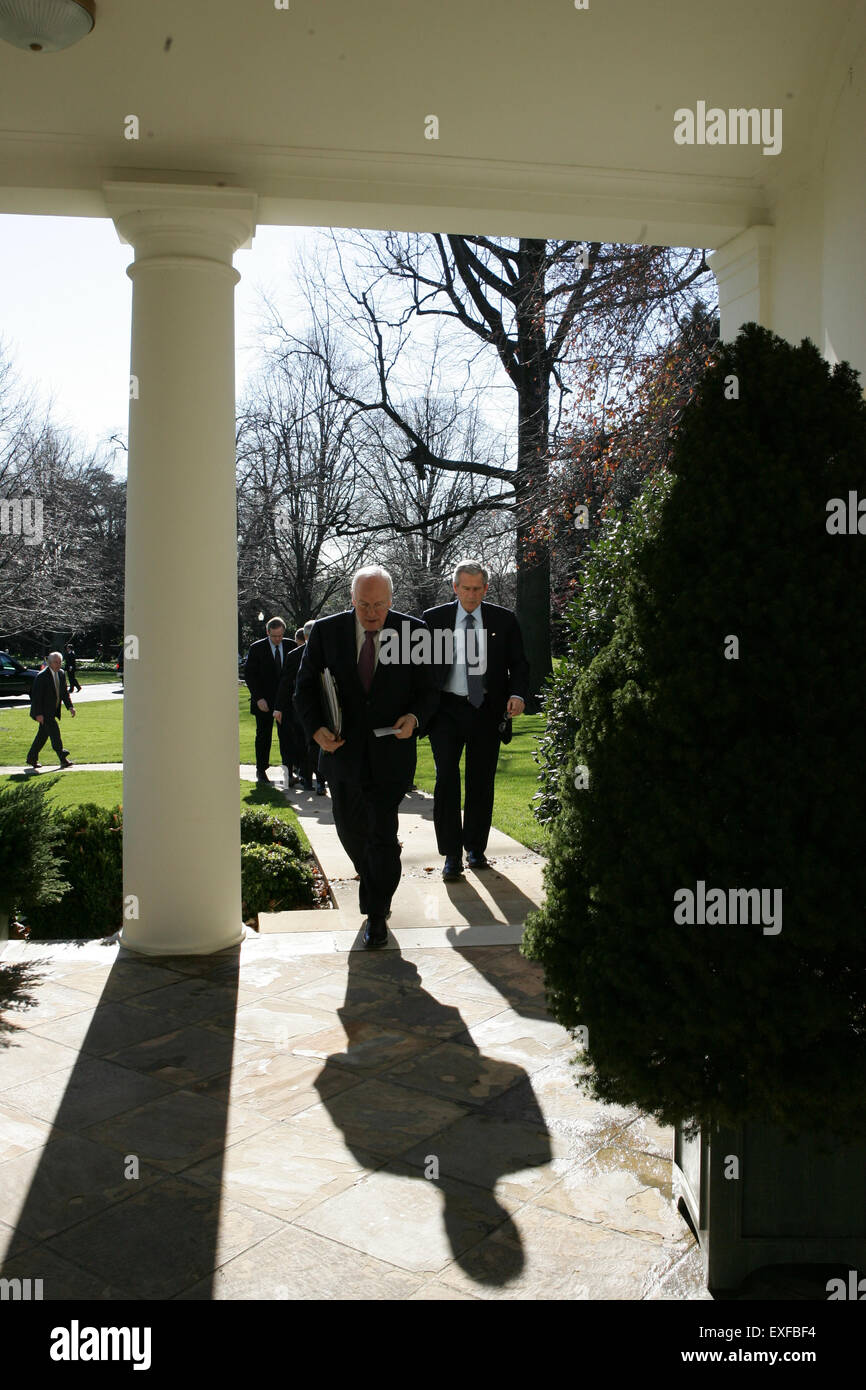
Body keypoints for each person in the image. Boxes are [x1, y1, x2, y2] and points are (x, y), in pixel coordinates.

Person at [294, 566, 439, 947]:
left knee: (381, 833)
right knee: (349, 828)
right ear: (351, 600)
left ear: (391, 601)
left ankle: (376, 913)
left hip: (391, 752)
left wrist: (415, 717)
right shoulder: (327, 631)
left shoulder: (413, 632)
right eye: (363, 605)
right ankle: (373, 876)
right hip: (342, 752)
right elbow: (304, 690)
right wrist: (315, 729)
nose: (371, 613)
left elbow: (430, 690)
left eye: (378, 605)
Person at [423, 561, 530, 881]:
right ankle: (451, 854)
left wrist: (519, 695)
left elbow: (520, 664)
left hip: (486, 709)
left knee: (481, 781)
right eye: (465, 588)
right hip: (446, 711)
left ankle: (475, 848)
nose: (471, 595)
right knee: (446, 780)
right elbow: (421, 669)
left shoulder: (504, 620)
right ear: (454, 588)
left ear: (486, 588)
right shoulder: (434, 619)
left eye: (477, 588)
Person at [274, 621, 324, 792]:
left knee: (305, 744)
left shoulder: (295, 655)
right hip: (318, 706)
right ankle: (320, 782)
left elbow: (286, 683)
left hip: (301, 706)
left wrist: (279, 707)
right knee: (318, 744)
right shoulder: (324, 653)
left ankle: (309, 781)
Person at [244, 617, 294, 783]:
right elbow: (250, 676)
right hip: (264, 700)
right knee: (263, 737)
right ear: (268, 633)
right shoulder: (256, 648)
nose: (278, 639)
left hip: (285, 701)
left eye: (280, 635)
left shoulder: (290, 646)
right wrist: (258, 698)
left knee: (287, 738)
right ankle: (261, 771)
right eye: (274, 636)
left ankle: (288, 772)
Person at [26, 651, 76, 770]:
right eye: (55, 662)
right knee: (55, 733)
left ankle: (31, 758)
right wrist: (38, 714)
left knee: (42, 736)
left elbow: (64, 693)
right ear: (49, 662)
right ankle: (62, 757)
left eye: (60, 662)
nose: (58, 664)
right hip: (43, 712)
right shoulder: (42, 676)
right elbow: (36, 697)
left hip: (52, 711)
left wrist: (70, 707)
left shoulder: (61, 674)